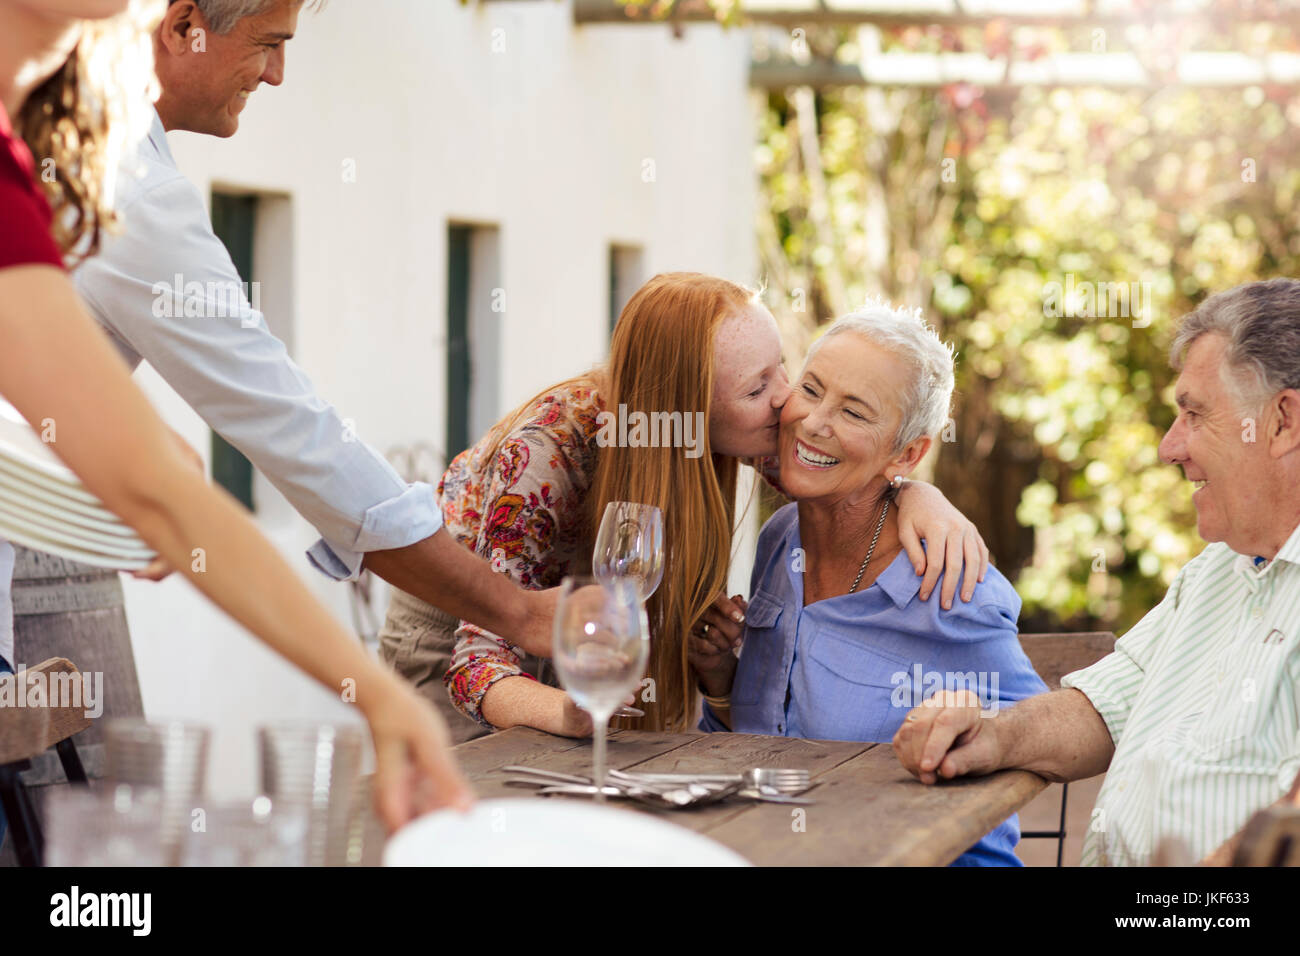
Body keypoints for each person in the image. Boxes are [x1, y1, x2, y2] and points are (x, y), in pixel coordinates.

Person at [0, 0, 470, 833]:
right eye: (271, 46)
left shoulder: (30, 162)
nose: (279, 74)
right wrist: (388, 703)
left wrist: (108, 450)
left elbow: (128, 468)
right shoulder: (113, 175)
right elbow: (191, 475)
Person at [66, 0, 557, 669]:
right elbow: (295, 431)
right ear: (184, 27)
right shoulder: (130, 186)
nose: (276, 76)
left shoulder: (85, 152)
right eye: (268, 43)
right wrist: (520, 612)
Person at [404, 273, 993, 742]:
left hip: (585, 622)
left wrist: (917, 493)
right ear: (689, 408)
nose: (787, 398)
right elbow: (476, 661)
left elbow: (843, 474)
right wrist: (570, 712)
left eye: (780, 367)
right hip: (462, 618)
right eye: (757, 388)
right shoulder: (547, 456)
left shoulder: (732, 421)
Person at [893, 278, 1300, 866]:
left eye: (1194, 414)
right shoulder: (1219, 571)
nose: (1169, 447)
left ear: (1283, 421)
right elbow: (1104, 708)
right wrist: (991, 735)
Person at [690, 301, 1046, 865]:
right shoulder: (781, 540)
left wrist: (973, 726)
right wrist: (721, 683)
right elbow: (772, 743)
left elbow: (1042, 733)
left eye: (854, 413)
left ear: (906, 453)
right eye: (810, 389)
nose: (813, 421)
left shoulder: (947, 579)